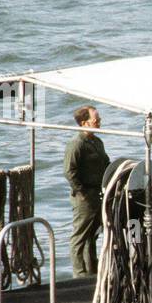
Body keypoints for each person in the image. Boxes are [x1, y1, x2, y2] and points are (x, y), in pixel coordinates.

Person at [63, 105, 110, 277]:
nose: (99, 122)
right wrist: (81, 192)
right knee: (80, 236)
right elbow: (69, 171)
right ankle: (79, 272)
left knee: (93, 234)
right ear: (84, 123)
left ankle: (91, 270)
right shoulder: (77, 144)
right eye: (96, 120)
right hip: (84, 196)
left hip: (98, 193)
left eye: (99, 120)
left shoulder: (97, 142)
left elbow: (106, 164)